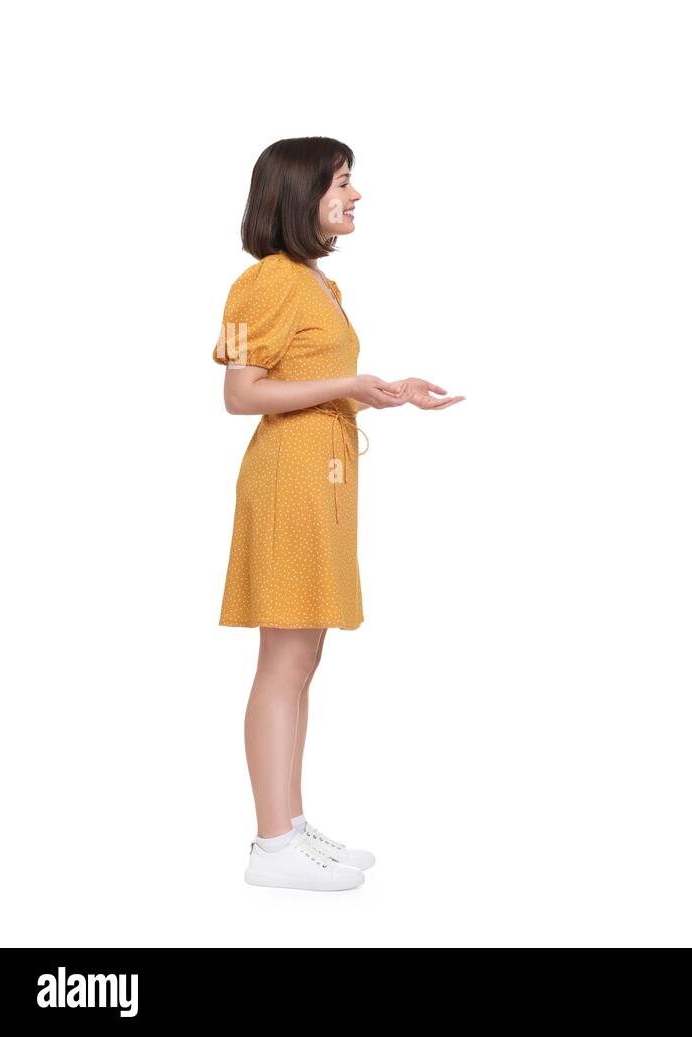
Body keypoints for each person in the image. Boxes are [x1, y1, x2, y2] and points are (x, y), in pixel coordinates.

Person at [212, 137, 465, 891]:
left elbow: (314, 378)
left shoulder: (320, 285)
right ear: (300, 194)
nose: (355, 197)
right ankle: (271, 844)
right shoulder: (263, 282)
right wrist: (346, 384)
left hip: (319, 479)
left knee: (304, 659)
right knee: (283, 659)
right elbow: (240, 392)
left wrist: (379, 389)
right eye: (343, 183)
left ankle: (288, 826)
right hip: (287, 480)